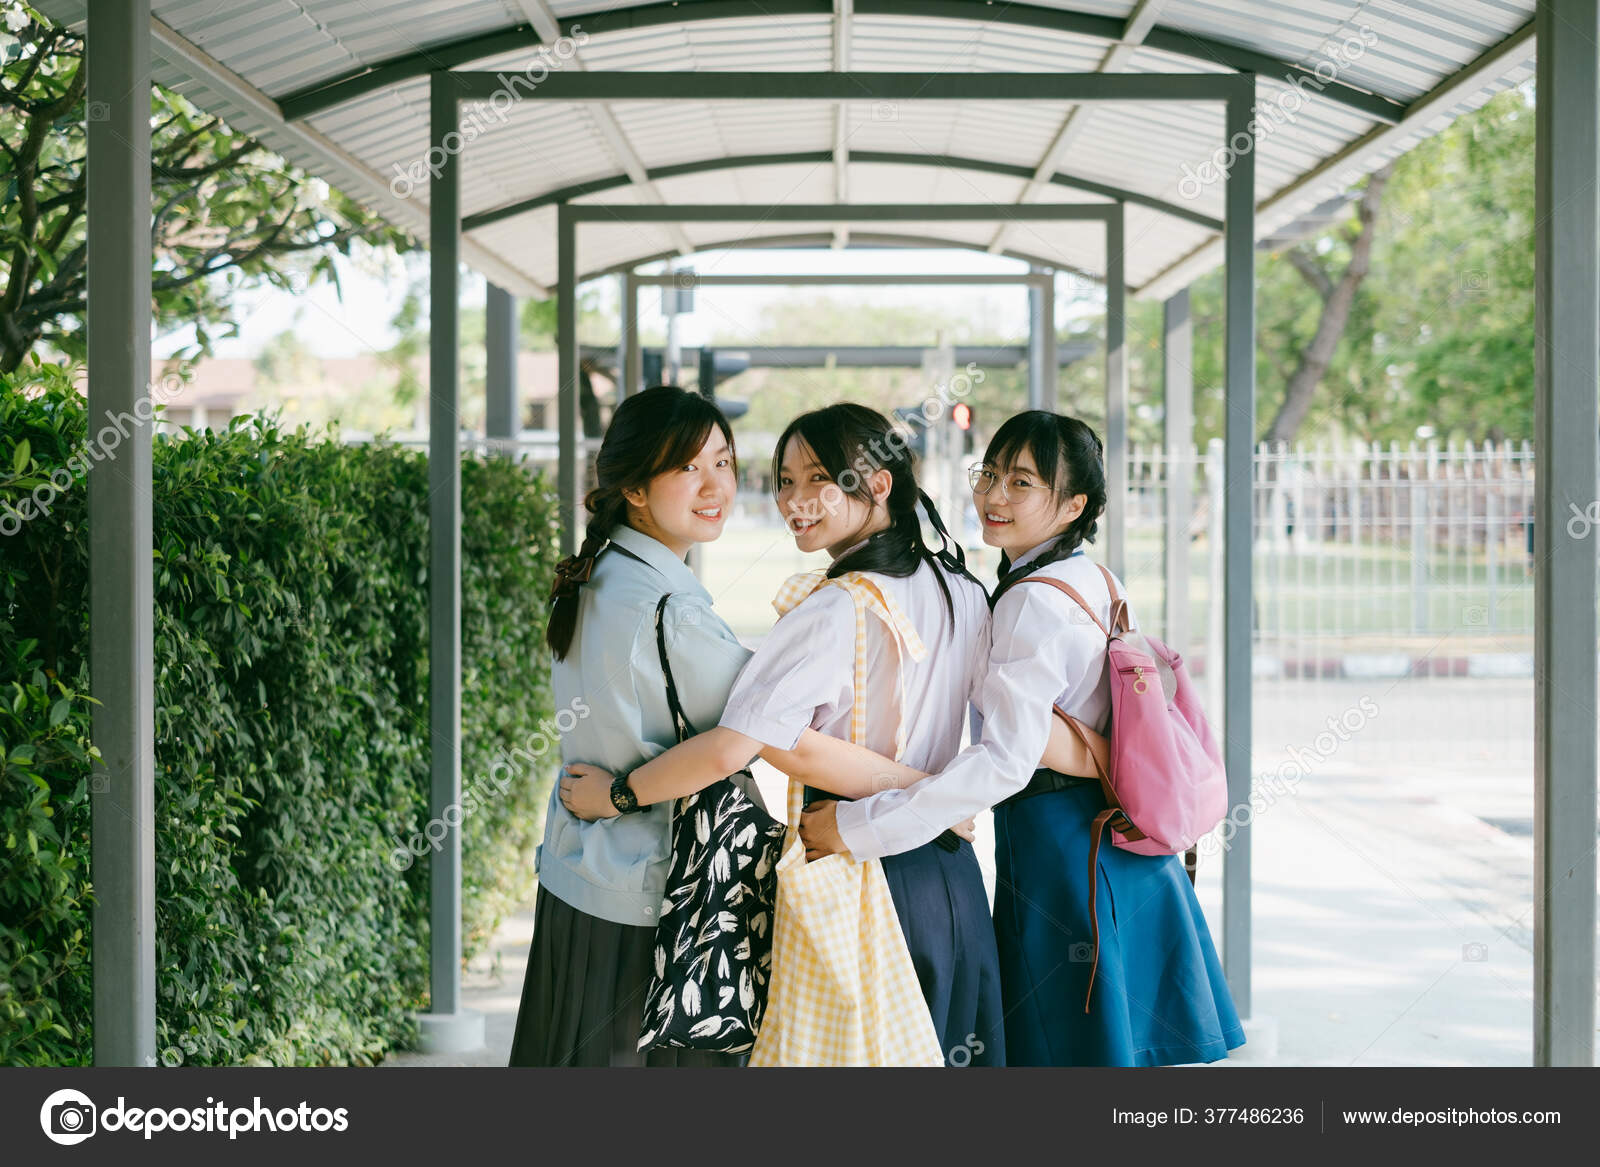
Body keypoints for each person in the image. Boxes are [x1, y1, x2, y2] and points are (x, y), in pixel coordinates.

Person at [513, 387, 955, 1066]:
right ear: (634, 487)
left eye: (722, 460)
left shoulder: (599, 576)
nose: (717, 484)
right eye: (689, 468)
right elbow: (785, 743)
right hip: (659, 899)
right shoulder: (672, 610)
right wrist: (927, 790)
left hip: (579, 873)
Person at [802, 410, 1245, 1067]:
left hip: (1063, 847)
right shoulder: (1097, 577)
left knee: (1062, 1040)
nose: (995, 496)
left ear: (1072, 505)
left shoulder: (1029, 601)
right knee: (1112, 1045)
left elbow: (1006, 759)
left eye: (1023, 483)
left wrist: (862, 825)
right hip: (1117, 832)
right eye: (991, 474)